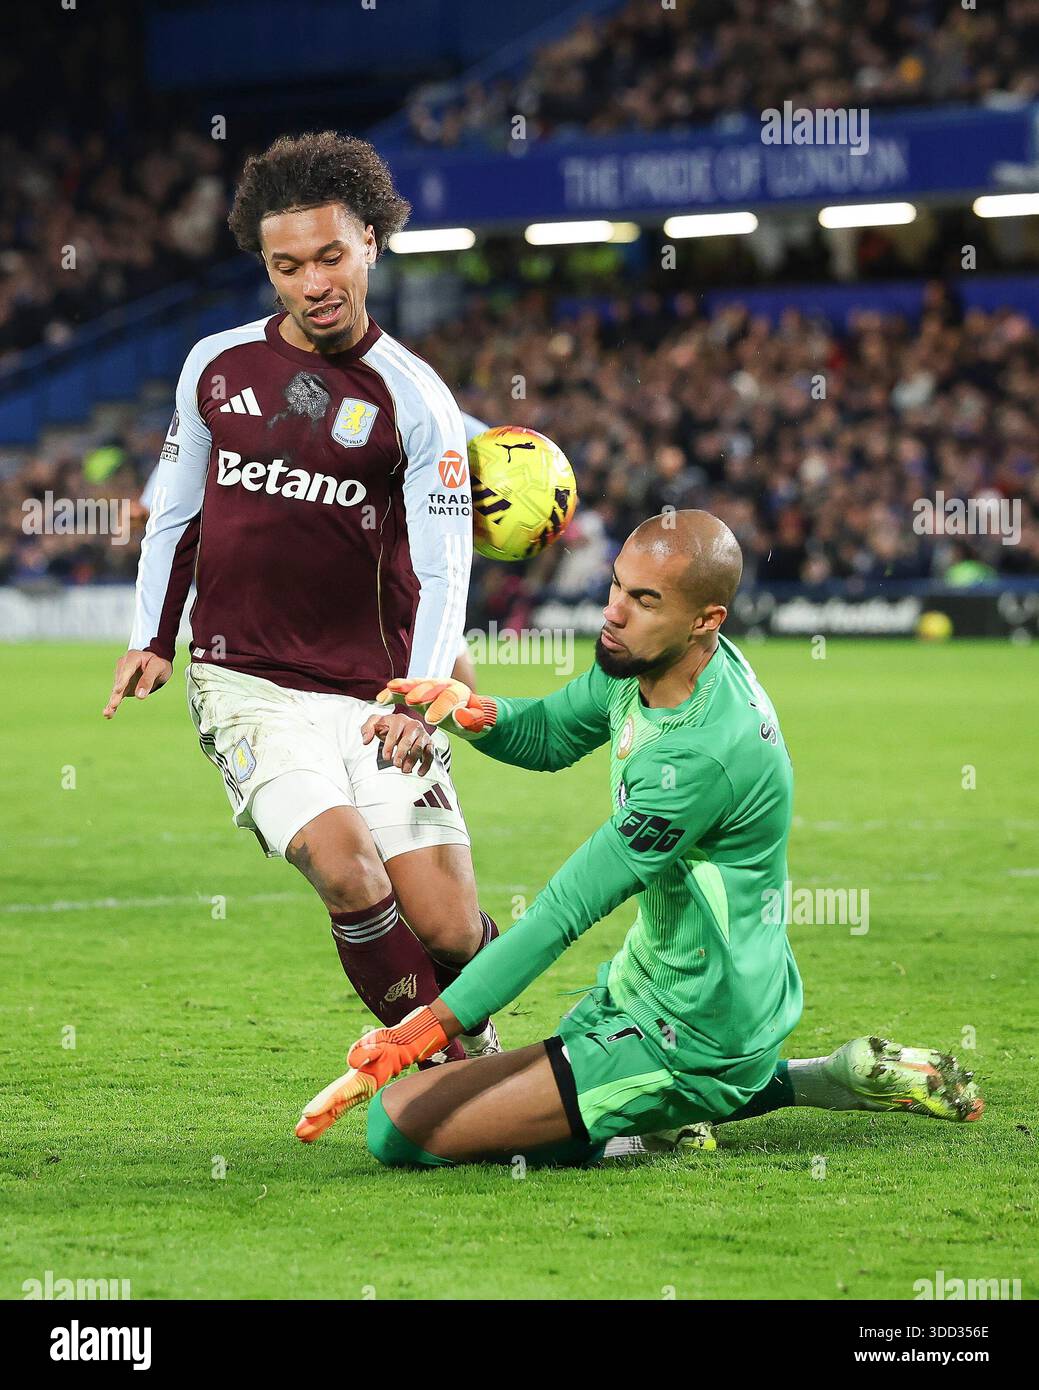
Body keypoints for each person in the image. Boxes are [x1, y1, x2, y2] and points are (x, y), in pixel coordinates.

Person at [295, 510, 983, 1162]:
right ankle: (821, 1078)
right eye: (617, 586)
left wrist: (418, 1032)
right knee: (471, 1095)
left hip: (700, 1027)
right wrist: (470, 712)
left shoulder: (702, 756)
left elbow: (563, 911)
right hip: (647, 985)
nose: (613, 612)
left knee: (397, 1127)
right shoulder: (649, 661)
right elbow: (551, 732)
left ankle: (666, 1113)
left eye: (644, 600)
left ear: (706, 620)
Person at [103, 131, 502, 1061]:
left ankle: (483, 1048)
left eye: (330, 257)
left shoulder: (418, 400)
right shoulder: (215, 366)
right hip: (247, 682)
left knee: (449, 926)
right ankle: (449, 1067)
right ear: (266, 267)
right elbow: (175, 513)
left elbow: (445, 567)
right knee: (347, 869)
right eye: (287, 267)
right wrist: (151, 637)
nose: (313, 283)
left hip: (376, 691)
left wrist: (420, 695)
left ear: (370, 243)